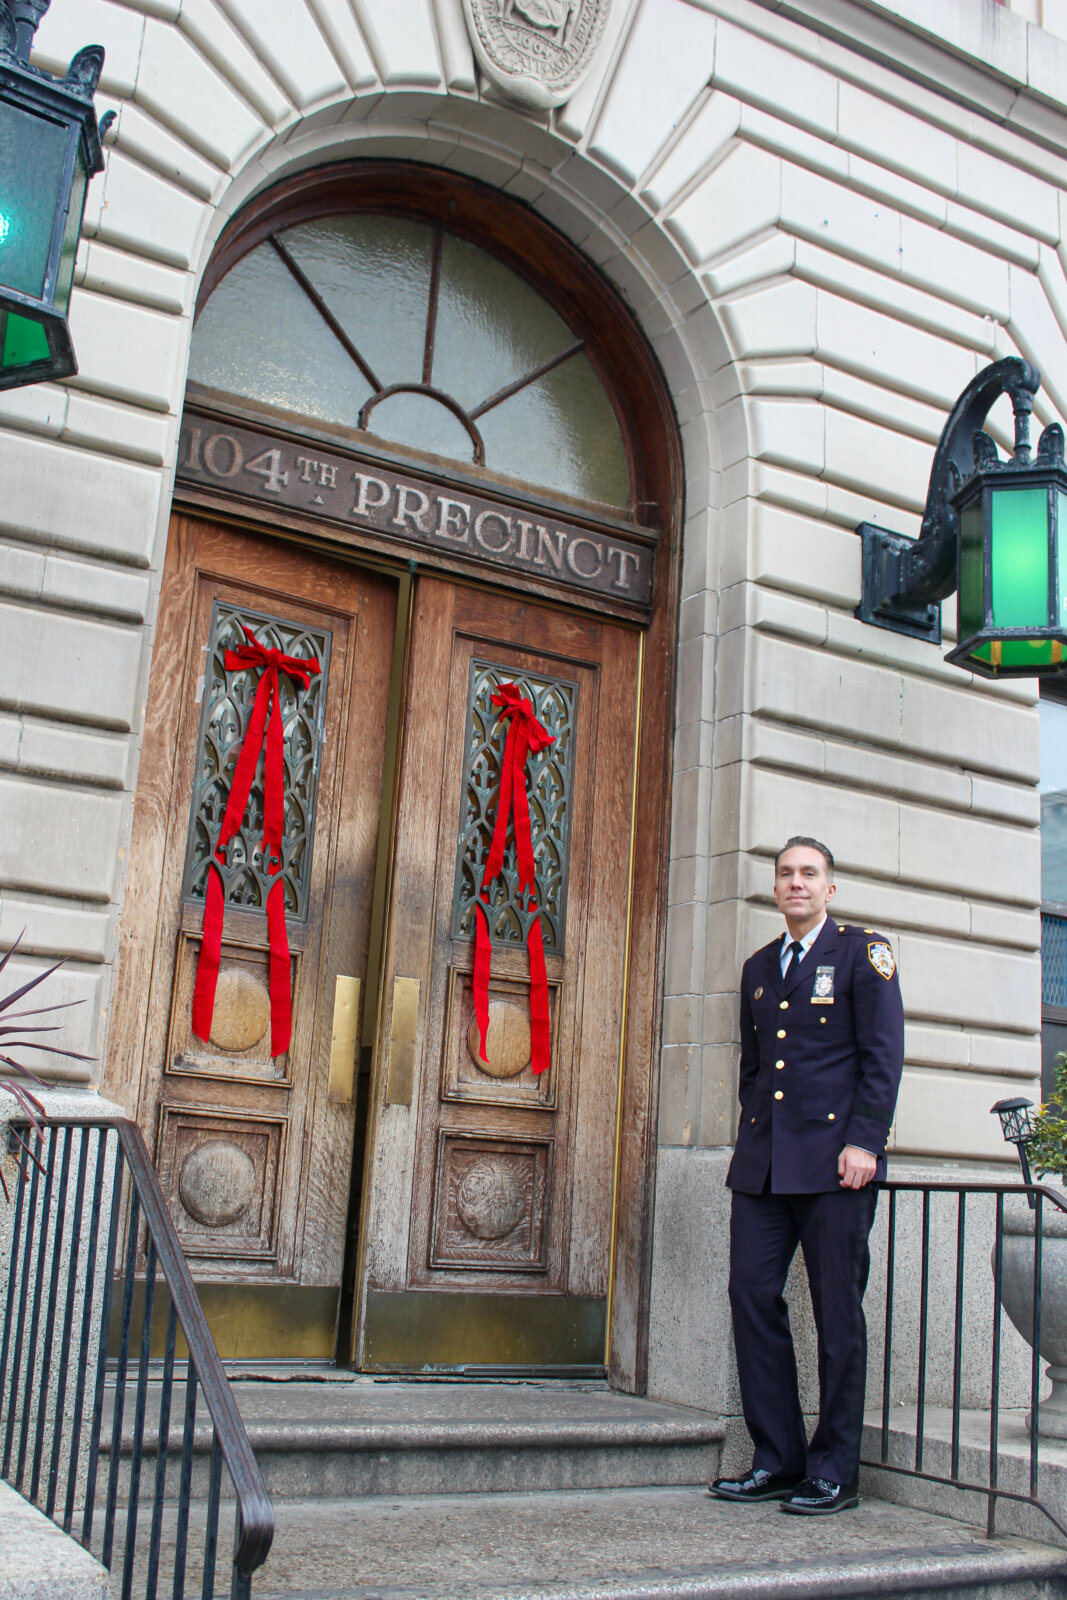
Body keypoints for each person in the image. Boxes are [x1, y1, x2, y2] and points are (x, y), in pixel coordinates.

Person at [709, 836, 904, 1516]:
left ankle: (833, 1470)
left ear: (830, 888)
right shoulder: (760, 966)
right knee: (751, 1296)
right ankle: (777, 1458)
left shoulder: (861, 953)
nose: (796, 883)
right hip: (763, 1167)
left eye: (808, 874)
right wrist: (752, 1139)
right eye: (786, 873)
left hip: (835, 1168)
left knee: (835, 1315)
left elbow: (882, 1057)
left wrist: (865, 1143)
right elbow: (755, 1071)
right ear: (775, 886)